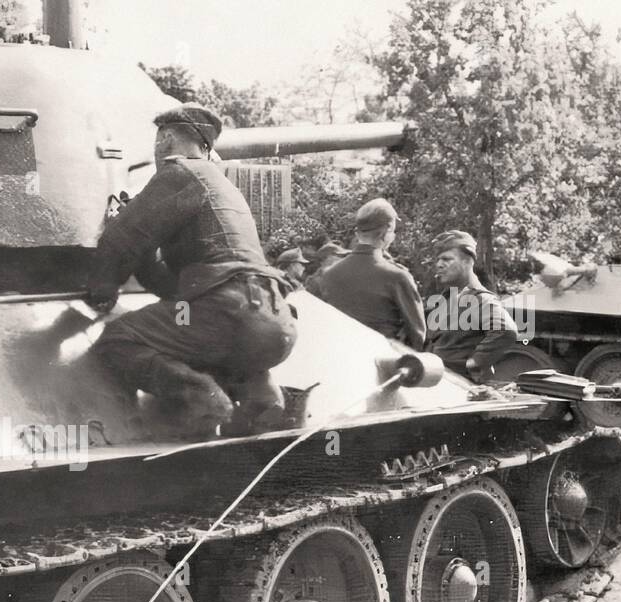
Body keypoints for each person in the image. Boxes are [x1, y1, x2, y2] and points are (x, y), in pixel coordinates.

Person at [85, 103, 298, 438]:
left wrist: (102, 291)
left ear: (166, 139)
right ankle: (261, 398)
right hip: (273, 322)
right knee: (197, 337)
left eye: (158, 141)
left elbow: (120, 238)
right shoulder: (220, 184)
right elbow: (178, 287)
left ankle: (205, 400)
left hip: (231, 313)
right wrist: (143, 257)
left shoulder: (181, 172)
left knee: (117, 339)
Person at [312, 198, 426, 348]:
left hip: (338, 356)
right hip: (383, 359)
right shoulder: (397, 277)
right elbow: (418, 335)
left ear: (357, 233)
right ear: (385, 233)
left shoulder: (328, 275)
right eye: (393, 231)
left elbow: (319, 326)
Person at [424, 230, 518, 380]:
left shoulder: (481, 299)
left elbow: (506, 330)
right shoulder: (445, 299)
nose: (439, 265)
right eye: (438, 260)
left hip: (461, 386)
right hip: (437, 382)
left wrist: (472, 363)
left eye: (447, 259)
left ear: (467, 262)